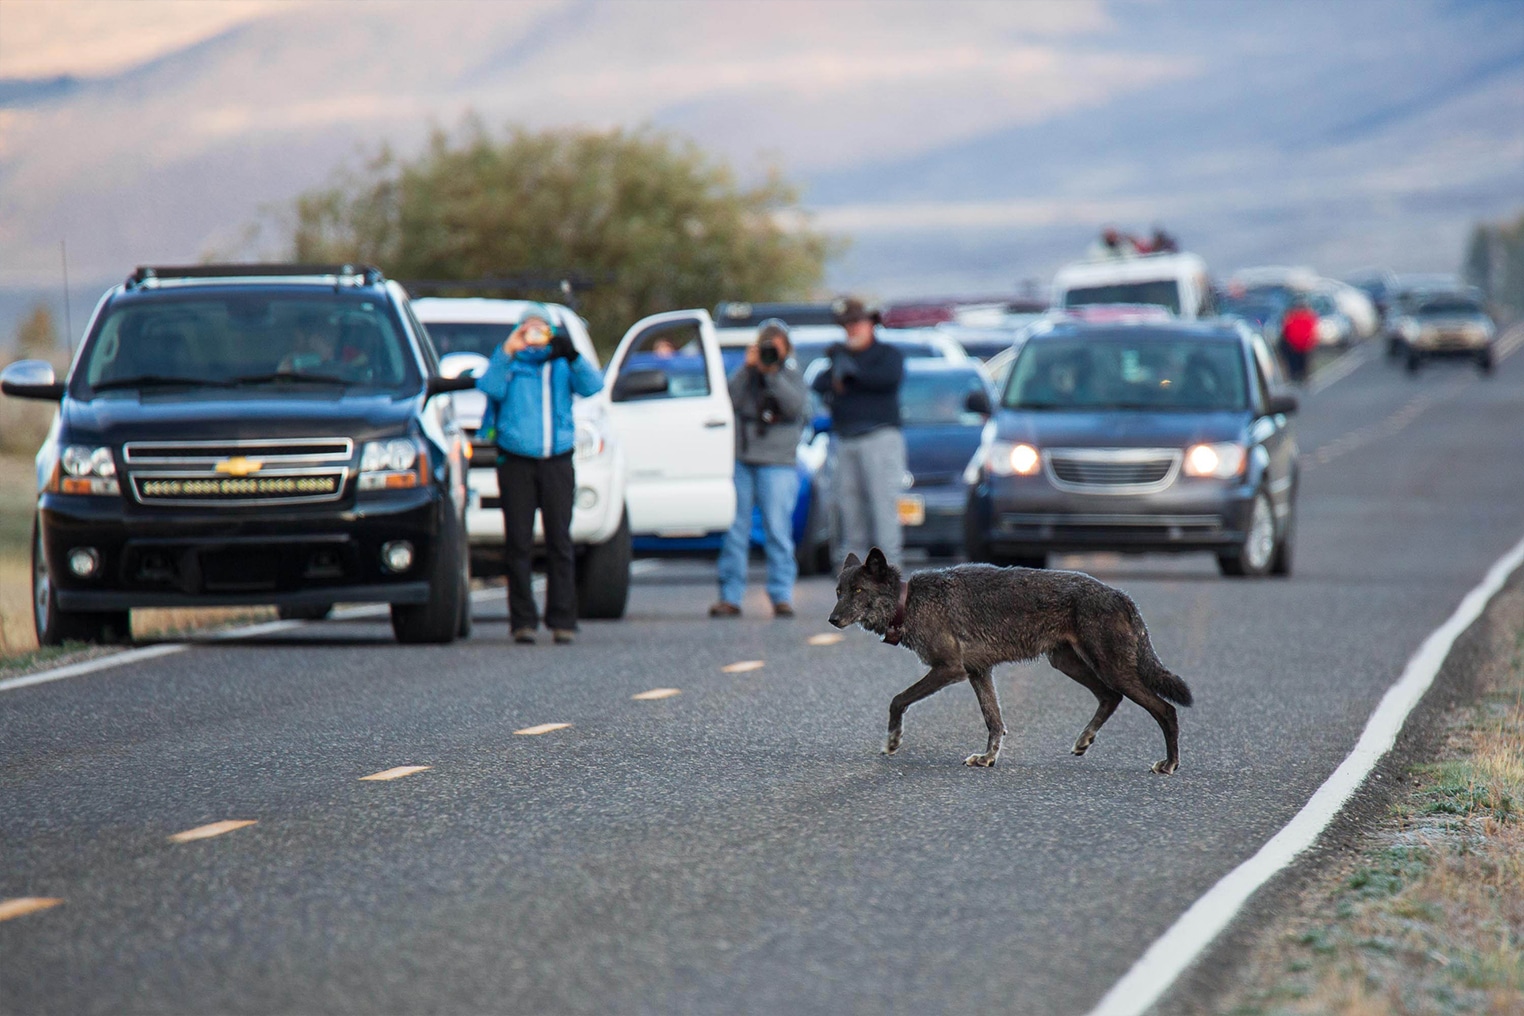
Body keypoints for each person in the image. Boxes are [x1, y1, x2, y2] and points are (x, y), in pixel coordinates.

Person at [476, 304, 604, 644]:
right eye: (528, 329)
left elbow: (594, 386)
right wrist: (507, 350)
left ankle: (563, 619)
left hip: (557, 460)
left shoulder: (560, 362)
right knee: (518, 541)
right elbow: (488, 388)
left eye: (541, 329)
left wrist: (572, 355)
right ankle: (523, 620)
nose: (535, 336)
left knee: (560, 540)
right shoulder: (510, 361)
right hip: (516, 460)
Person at [710, 319, 808, 619]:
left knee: (777, 530)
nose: (769, 356)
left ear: (787, 351)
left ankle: (781, 595)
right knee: (735, 530)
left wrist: (772, 374)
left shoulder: (791, 376)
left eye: (774, 350)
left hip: (777, 463)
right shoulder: (747, 375)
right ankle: (730, 596)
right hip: (743, 460)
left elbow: (795, 408)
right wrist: (748, 367)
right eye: (765, 349)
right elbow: (726, 400)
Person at [813, 296, 906, 568]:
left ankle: (890, 572)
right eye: (847, 325)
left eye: (856, 323)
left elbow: (884, 379)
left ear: (871, 324)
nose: (852, 329)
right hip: (846, 439)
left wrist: (850, 370)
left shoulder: (886, 355)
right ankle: (853, 573)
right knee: (849, 511)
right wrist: (839, 362)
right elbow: (819, 384)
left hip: (878, 439)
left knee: (882, 509)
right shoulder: (841, 358)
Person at [1280, 297, 1318, 384]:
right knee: (1302, 362)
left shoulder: (1291, 316)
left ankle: (1297, 376)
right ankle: (1303, 376)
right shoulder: (1308, 316)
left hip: (1294, 343)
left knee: (1295, 362)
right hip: (1303, 344)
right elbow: (1312, 331)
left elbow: (1286, 329)